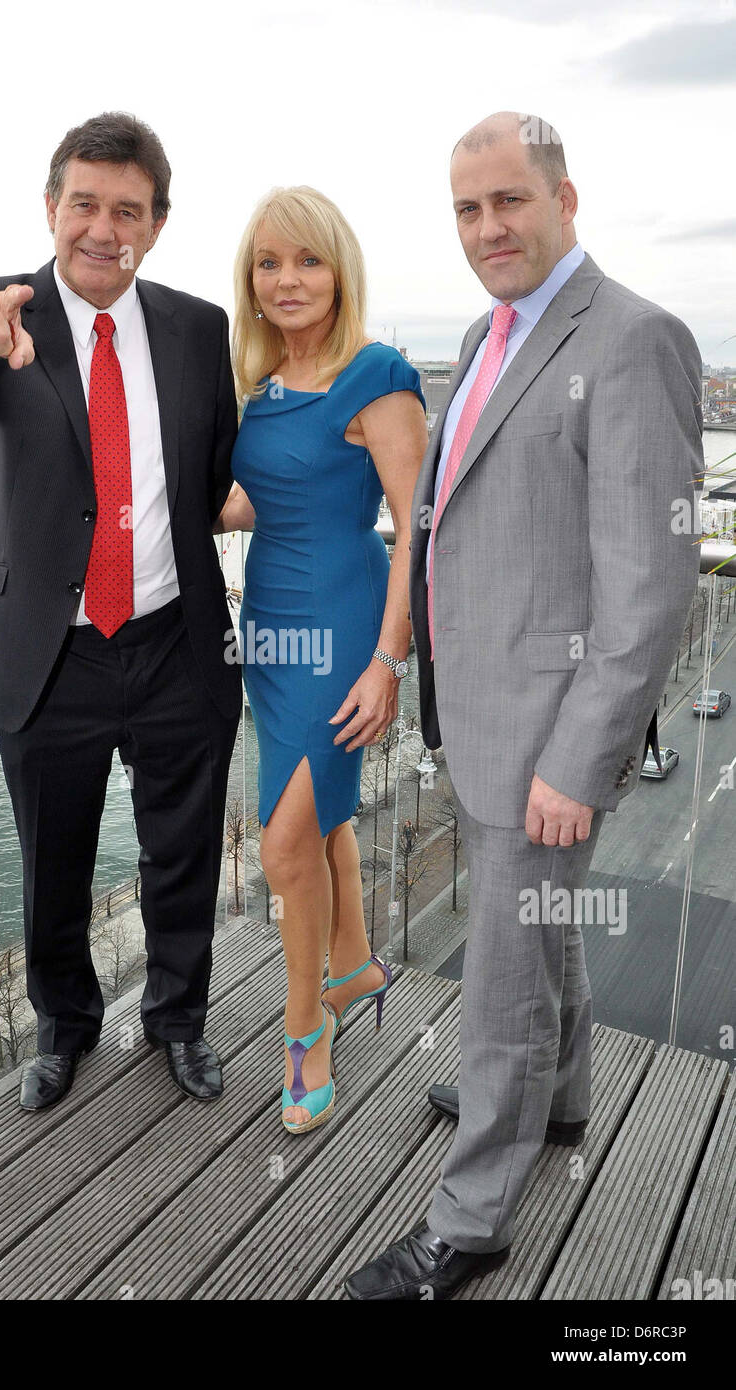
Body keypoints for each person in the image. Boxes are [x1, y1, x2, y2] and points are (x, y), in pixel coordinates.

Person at [345, 111, 702, 1299]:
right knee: (535, 926)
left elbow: (652, 585)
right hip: (484, 703)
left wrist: (578, 757)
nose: (487, 227)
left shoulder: (638, 337)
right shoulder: (488, 330)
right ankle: (557, 1097)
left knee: (498, 963)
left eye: (508, 201)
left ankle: (471, 1215)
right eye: (465, 209)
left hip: (549, 729)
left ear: (564, 200)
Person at [0, 112, 242, 1112]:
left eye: (125, 210)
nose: (101, 226)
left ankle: (178, 1019)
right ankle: (65, 1027)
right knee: (54, 858)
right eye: (82, 203)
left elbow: (212, 475)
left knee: (183, 847)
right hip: (51, 653)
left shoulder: (196, 328)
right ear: (51, 207)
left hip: (177, 640)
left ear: (156, 224)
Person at [216, 187, 427, 1132]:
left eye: (307, 261)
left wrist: (390, 659)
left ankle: (306, 1031)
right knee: (319, 807)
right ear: (251, 283)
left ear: (339, 271)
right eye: (269, 263)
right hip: (268, 624)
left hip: (344, 627)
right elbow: (256, 499)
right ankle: (355, 964)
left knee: (283, 842)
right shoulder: (260, 384)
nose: (288, 280)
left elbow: (415, 527)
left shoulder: (375, 374)